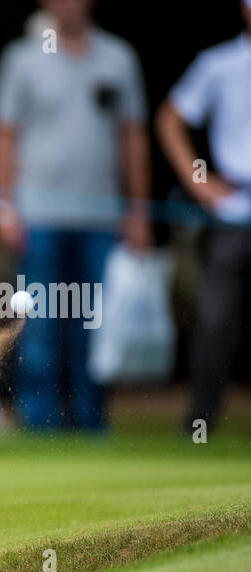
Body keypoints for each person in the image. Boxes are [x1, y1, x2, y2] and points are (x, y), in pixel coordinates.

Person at [0, 0, 152, 431]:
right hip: (37, 217)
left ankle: (91, 423)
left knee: (95, 328)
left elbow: (133, 136)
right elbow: (3, 134)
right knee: (39, 327)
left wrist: (138, 212)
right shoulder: (21, 59)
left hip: (102, 219)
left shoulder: (119, 58)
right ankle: (39, 424)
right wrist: (3, 208)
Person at [156, 0, 251, 433]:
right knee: (216, 320)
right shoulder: (219, 64)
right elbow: (171, 118)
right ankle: (200, 423)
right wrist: (200, 183)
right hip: (231, 211)